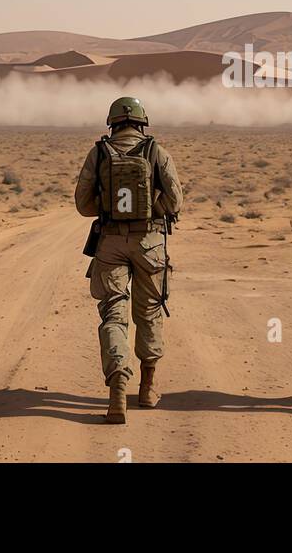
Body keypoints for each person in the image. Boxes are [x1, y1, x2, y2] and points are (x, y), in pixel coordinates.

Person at [74, 96, 183, 424]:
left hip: (110, 244)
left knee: (113, 315)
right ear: (141, 122)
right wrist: (151, 210)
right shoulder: (156, 152)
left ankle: (118, 384)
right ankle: (147, 389)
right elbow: (175, 201)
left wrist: (108, 210)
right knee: (149, 314)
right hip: (150, 243)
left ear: (112, 123)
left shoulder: (99, 153)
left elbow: (83, 204)